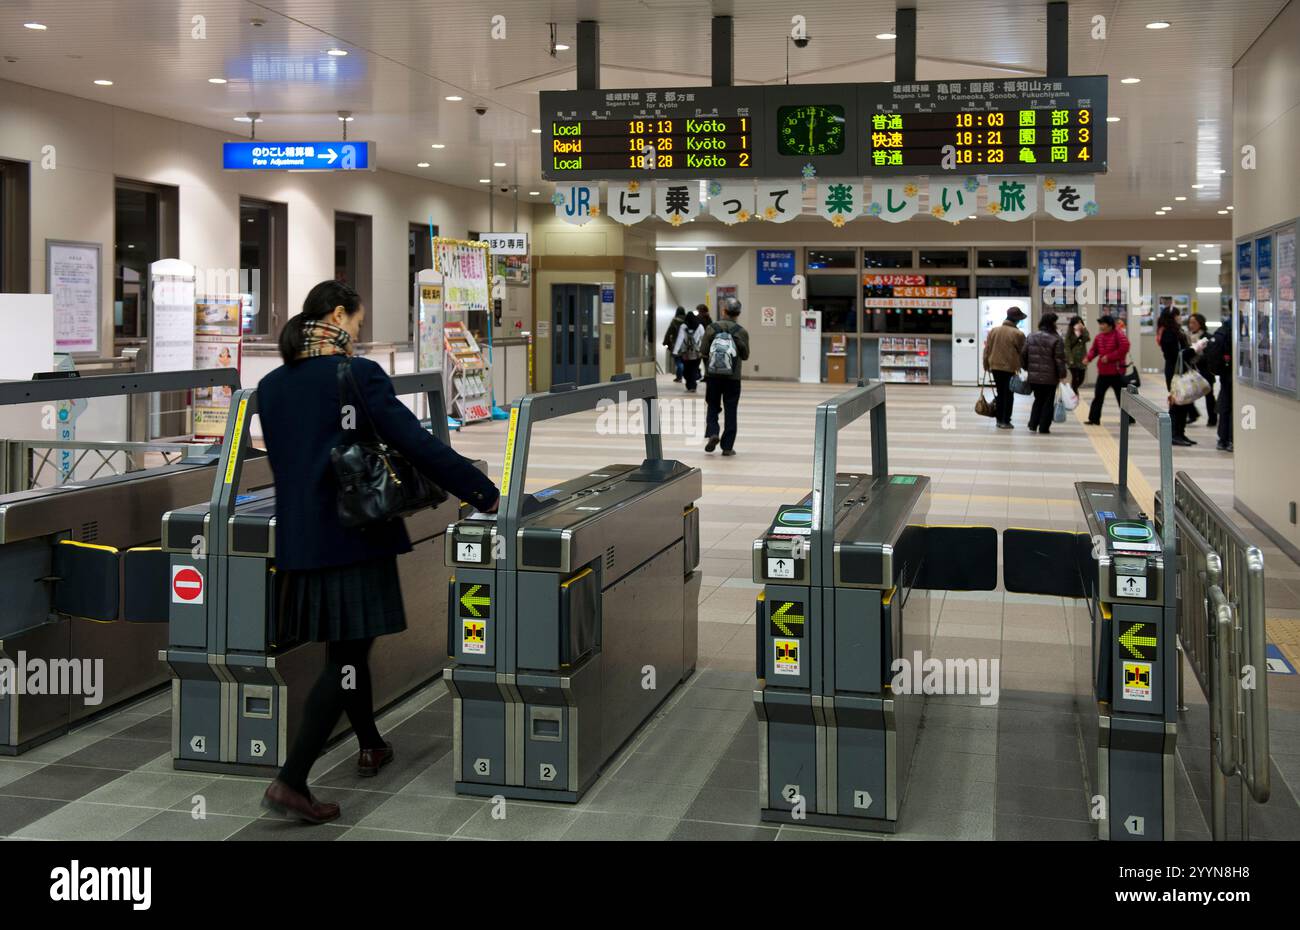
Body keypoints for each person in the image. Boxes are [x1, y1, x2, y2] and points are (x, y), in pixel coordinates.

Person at [257, 280, 500, 824]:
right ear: (340, 316)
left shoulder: (270, 386)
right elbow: (414, 441)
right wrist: (480, 491)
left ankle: (370, 742)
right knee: (345, 658)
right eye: (359, 323)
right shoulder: (357, 375)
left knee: (346, 649)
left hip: (300, 541)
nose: (359, 334)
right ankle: (292, 780)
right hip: (354, 536)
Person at [701, 297, 750, 456]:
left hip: (713, 376)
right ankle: (727, 447)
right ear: (738, 313)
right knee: (731, 409)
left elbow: (703, 350)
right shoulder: (741, 331)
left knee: (712, 405)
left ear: (723, 311)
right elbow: (745, 355)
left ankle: (713, 432)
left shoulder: (711, 328)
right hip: (733, 378)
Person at [1021, 311, 1068, 434]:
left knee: (1038, 399)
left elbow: (1023, 354)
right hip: (1050, 378)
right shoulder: (1056, 339)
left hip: (1034, 377)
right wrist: (1062, 375)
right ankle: (1044, 427)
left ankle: (1032, 424)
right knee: (1048, 402)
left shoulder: (1031, 336)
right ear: (1052, 323)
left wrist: (1027, 368)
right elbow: (1060, 360)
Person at [1157, 307, 1197, 446]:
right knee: (1176, 404)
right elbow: (1175, 354)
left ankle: (1180, 433)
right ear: (1173, 317)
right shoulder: (1168, 333)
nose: (1180, 317)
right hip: (1175, 372)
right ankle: (1174, 434)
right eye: (1178, 315)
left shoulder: (1175, 331)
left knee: (1183, 403)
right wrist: (1193, 350)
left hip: (1181, 371)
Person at [983, 307, 1027, 429]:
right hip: (1010, 368)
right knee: (1008, 394)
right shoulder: (1018, 334)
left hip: (995, 367)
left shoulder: (994, 331)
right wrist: (1025, 367)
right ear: (1017, 320)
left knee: (1000, 392)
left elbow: (987, 350)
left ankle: (999, 419)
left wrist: (986, 364)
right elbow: (1023, 353)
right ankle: (1005, 420)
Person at [1083, 314, 1131, 425]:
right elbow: (1094, 350)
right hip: (1103, 372)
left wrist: (1109, 357)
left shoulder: (1118, 335)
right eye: (1100, 324)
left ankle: (1128, 419)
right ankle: (1094, 419)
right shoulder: (1099, 337)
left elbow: (1125, 347)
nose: (1101, 326)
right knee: (1098, 396)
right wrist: (1088, 358)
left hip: (1116, 372)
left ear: (1110, 325)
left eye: (1103, 324)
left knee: (1121, 398)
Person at [1206, 311, 1233, 451]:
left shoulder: (1223, 328)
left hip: (1224, 374)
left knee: (1225, 405)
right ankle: (1231, 439)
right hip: (1232, 374)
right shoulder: (1237, 326)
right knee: (1232, 406)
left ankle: (1222, 439)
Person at [1187, 313, 1217, 428]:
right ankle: (1192, 414)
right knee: (1188, 393)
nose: (1191, 325)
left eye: (1194, 322)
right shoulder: (1187, 336)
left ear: (1200, 323)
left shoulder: (1207, 337)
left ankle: (1212, 419)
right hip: (1191, 371)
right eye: (1190, 322)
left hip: (1205, 371)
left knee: (1209, 396)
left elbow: (1210, 354)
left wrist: (1198, 359)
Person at [673, 310, 706, 392]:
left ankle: (689, 385)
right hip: (697, 353)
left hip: (685, 353)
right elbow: (704, 339)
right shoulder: (700, 326)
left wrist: (675, 351)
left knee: (687, 369)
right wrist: (706, 350)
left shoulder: (683, 326)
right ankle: (693, 386)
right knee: (694, 368)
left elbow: (680, 339)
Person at [1064, 315, 1090, 395]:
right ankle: (1074, 394)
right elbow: (1067, 346)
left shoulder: (1083, 331)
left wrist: (1084, 328)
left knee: (1081, 378)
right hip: (1073, 359)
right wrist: (1070, 359)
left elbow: (1087, 338)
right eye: (1077, 322)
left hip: (1082, 359)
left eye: (1080, 322)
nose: (1079, 324)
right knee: (1075, 378)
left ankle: (1072, 390)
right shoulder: (1070, 332)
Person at [664, 306, 687, 382]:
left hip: (676, 343)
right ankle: (679, 376)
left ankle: (679, 377)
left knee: (678, 361)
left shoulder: (674, 321)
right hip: (685, 344)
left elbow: (669, 332)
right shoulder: (687, 320)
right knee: (683, 360)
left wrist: (665, 342)